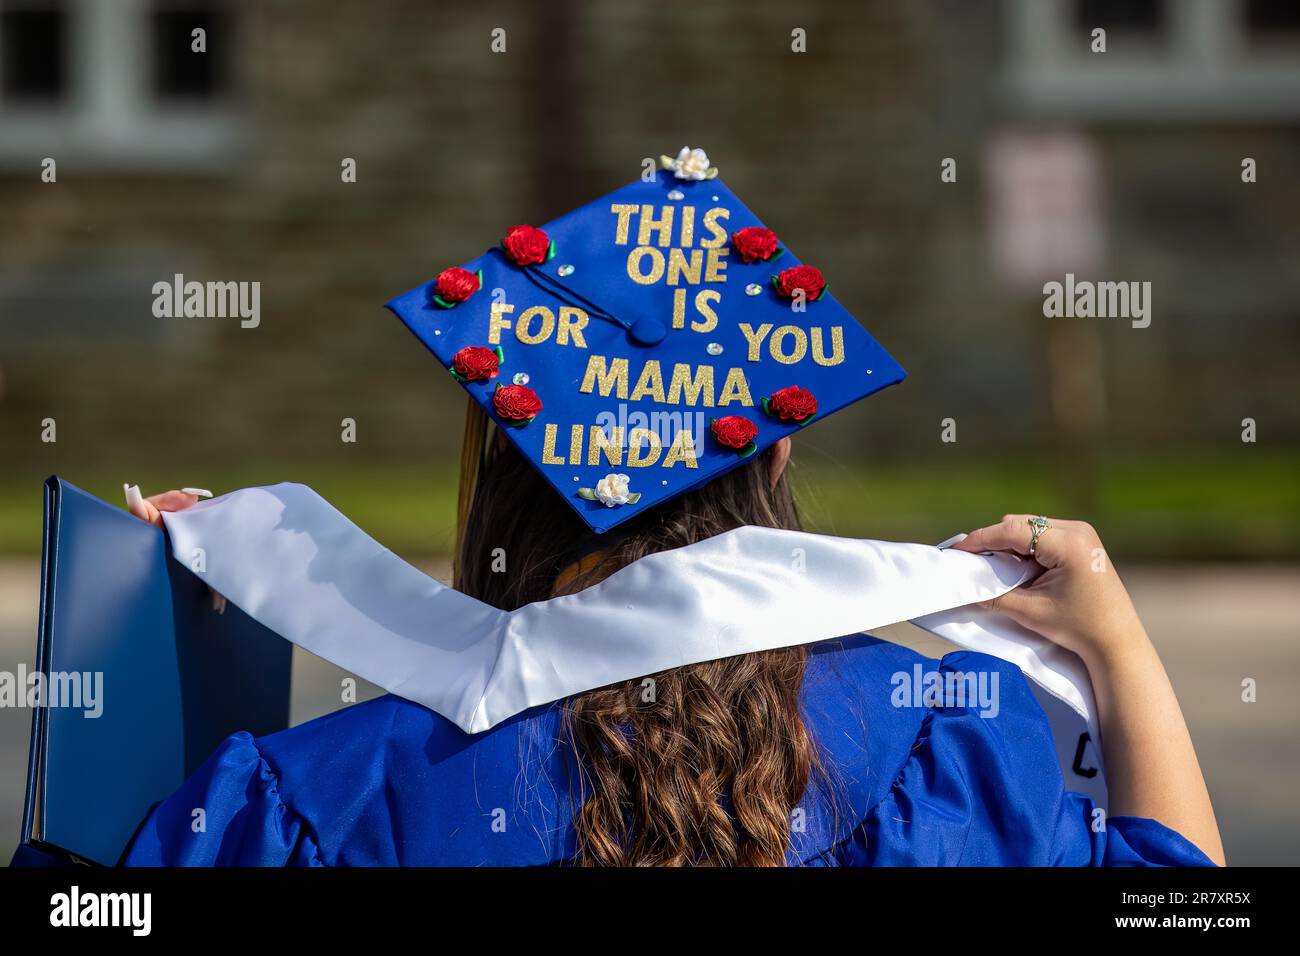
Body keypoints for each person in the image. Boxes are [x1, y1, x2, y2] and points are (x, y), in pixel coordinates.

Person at [121, 154, 1223, 866]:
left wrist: (141, 644)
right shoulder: (950, 743)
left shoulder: (305, 797)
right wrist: (1115, 644)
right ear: (774, 446)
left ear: (499, 465)